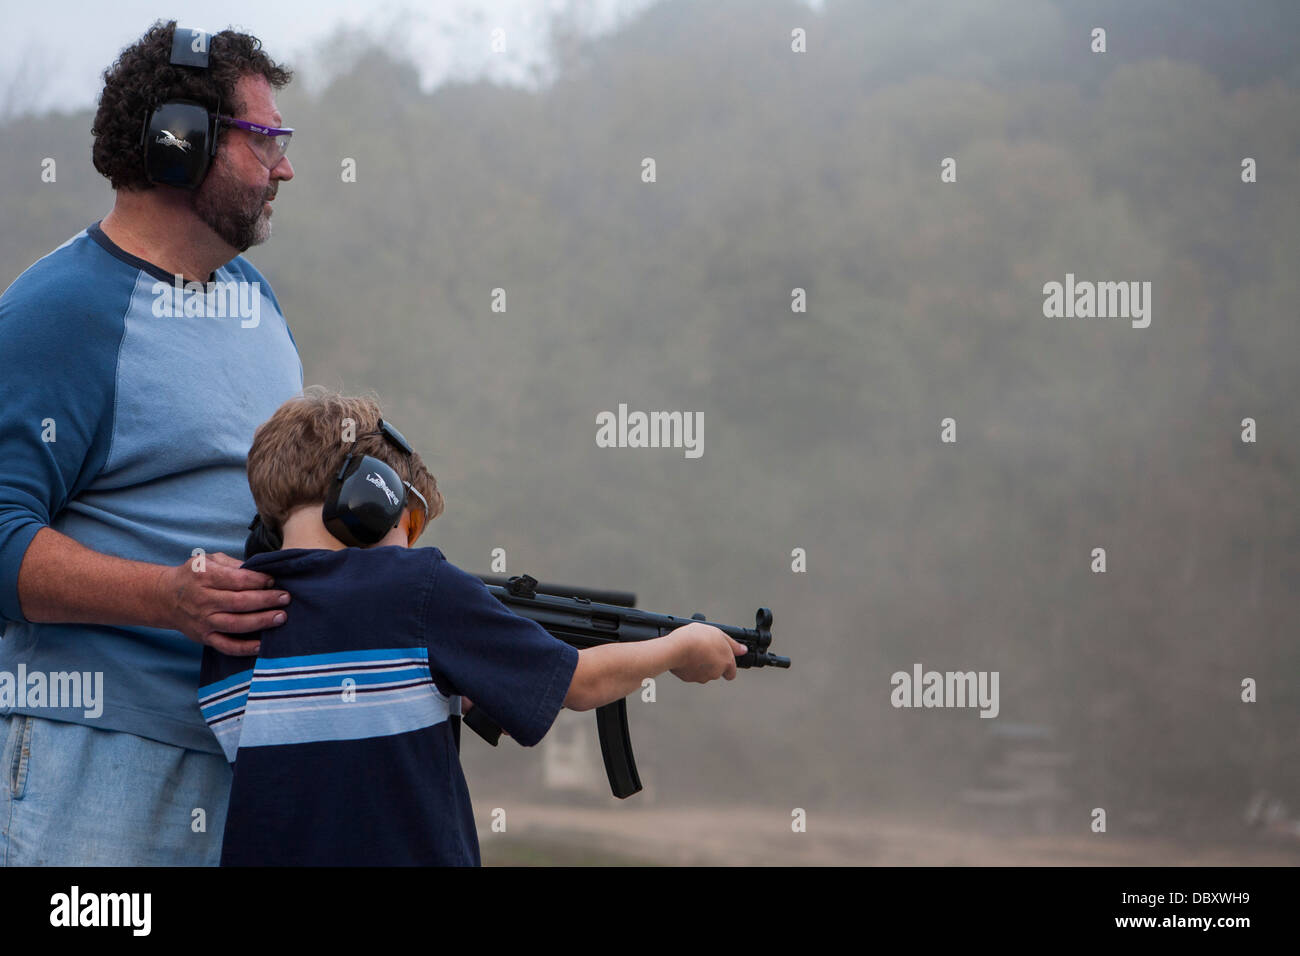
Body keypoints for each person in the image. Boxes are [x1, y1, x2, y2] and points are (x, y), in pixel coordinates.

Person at [198, 387, 747, 865]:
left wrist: (454, 693)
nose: (409, 544)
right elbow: (583, 683)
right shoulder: (417, 587)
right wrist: (681, 648)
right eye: (408, 523)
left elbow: (326, 730)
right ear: (370, 500)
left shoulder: (229, 623)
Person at [0, 22, 301, 865]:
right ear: (183, 144)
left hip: (237, 750)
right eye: (265, 139)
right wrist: (166, 597)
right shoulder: (61, 312)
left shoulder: (256, 302)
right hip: (92, 762)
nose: (285, 167)